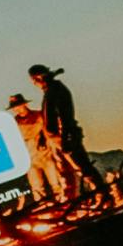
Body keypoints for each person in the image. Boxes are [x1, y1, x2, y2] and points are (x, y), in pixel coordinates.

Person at [27, 61, 106, 206]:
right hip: (58, 139)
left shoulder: (55, 91)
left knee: (82, 167)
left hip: (65, 137)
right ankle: (89, 197)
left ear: (37, 79)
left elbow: (64, 117)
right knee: (73, 170)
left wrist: (65, 139)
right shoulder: (51, 91)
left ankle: (103, 196)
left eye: (34, 81)